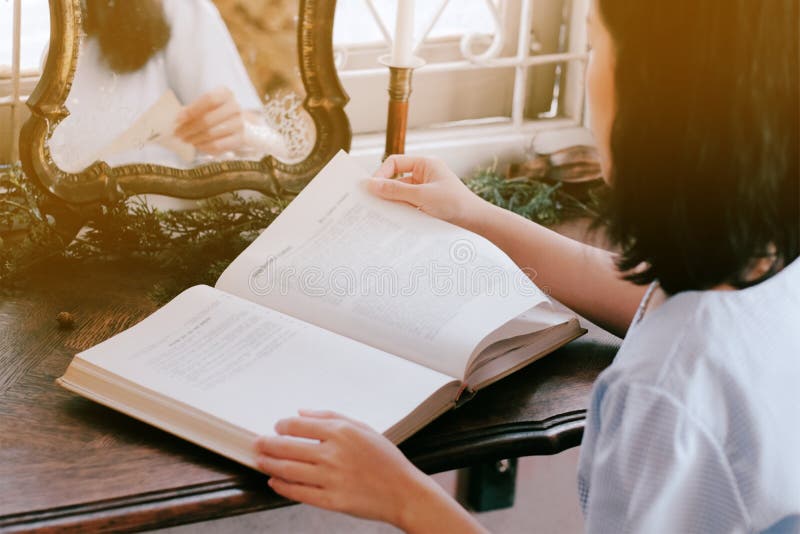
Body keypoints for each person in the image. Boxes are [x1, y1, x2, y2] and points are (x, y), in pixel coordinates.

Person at [252, 0, 799, 532]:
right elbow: (660, 303)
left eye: (591, 48)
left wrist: (405, 498)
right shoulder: (763, 269)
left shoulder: (665, 394)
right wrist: (473, 214)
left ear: (652, 99)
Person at [49, 0, 288, 173]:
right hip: (87, 227)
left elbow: (267, 145)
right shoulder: (64, 38)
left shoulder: (181, 10)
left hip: (169, 225)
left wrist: (236, 130)